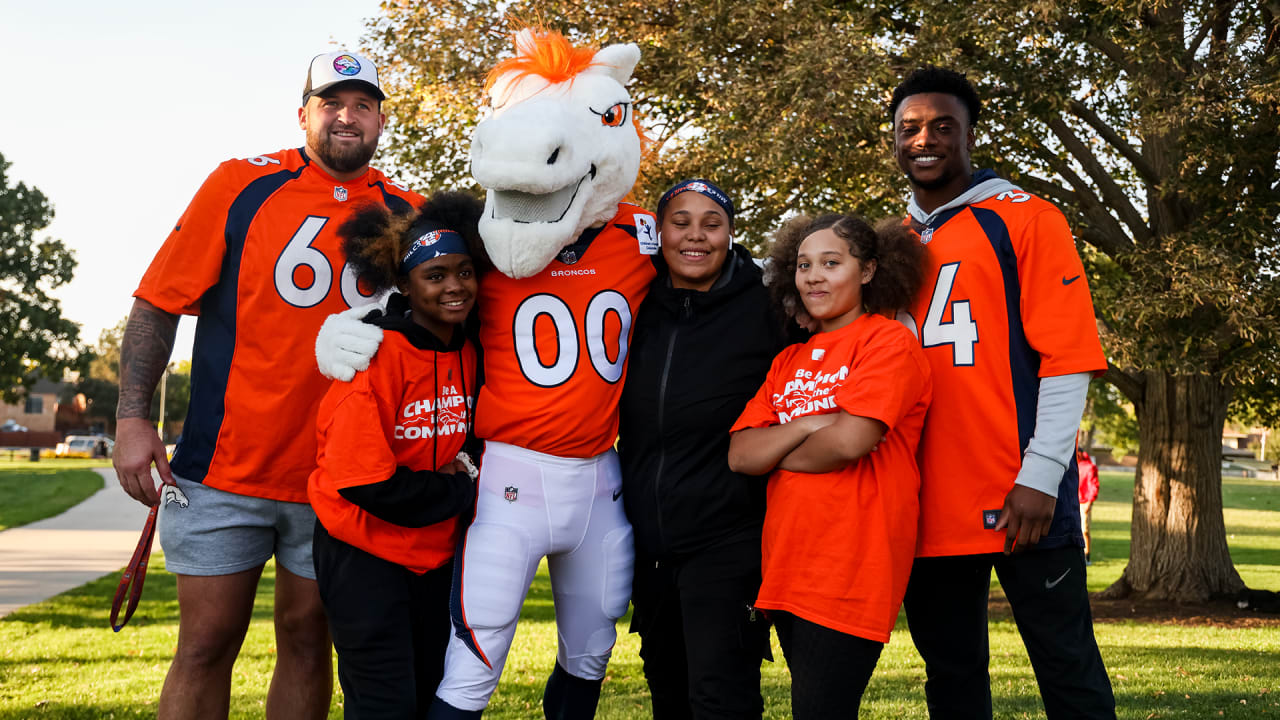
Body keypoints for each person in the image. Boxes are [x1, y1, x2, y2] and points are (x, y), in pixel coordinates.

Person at [112, 50, 421, 719]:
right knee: (204, 644)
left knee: (310, 640)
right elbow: (158, 302)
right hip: (226, 467)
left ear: (380, 120)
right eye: (332, 103)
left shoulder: (407, 214)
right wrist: (132, 419)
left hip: (339, 473)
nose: (348, 117)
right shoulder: (238, 184)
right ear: (303, 113)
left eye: (363, 104)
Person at [889, 66, 1116, 719]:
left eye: (942, 126)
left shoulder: (1028, 218)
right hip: (929, 499)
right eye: (909, 129)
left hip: (1022, 496)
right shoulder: (890, 243)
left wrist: (1043, 474)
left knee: (1068, 668)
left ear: (969, 135)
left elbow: (1068, 357)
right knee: (953, 677)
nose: (924, 140)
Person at [727, 213, 931, 718]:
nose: (813, 276)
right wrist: (804, 426)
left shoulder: (887, 343)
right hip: (787, 565)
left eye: (831, 263)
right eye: (803, 265)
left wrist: (777, 449)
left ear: (867, 271)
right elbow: (741, 455)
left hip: (852, 566)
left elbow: (849, 442)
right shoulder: (788, 361)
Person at [618, 179, 790, 719]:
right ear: (660, 233)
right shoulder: (636, 303)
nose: (696, 236)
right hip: (648, 543)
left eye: (712, 224)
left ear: (730, 233)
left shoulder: (770, 306)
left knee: (721, 698)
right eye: (681, 222)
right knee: (667, 692)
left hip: (729, 538)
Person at [309, 192, 483, 718]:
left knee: (432, 689)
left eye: (464, 272)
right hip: (364, 551)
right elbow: (367, 483)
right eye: (435, 275)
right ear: (405, 285)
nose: (454, 286)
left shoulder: (472, 348)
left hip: (434, 552)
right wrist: (461, 487)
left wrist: (462, 474)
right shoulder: (372, 354)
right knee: (383, 702)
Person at [1077, 447, 1100, 564]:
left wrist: (1089, 503)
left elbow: (1093, 485)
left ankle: (1087, 556)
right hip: (1074, 500)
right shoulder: (1074, 465)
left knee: (1084, 530)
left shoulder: (1089, 467)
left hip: (1084, 501)